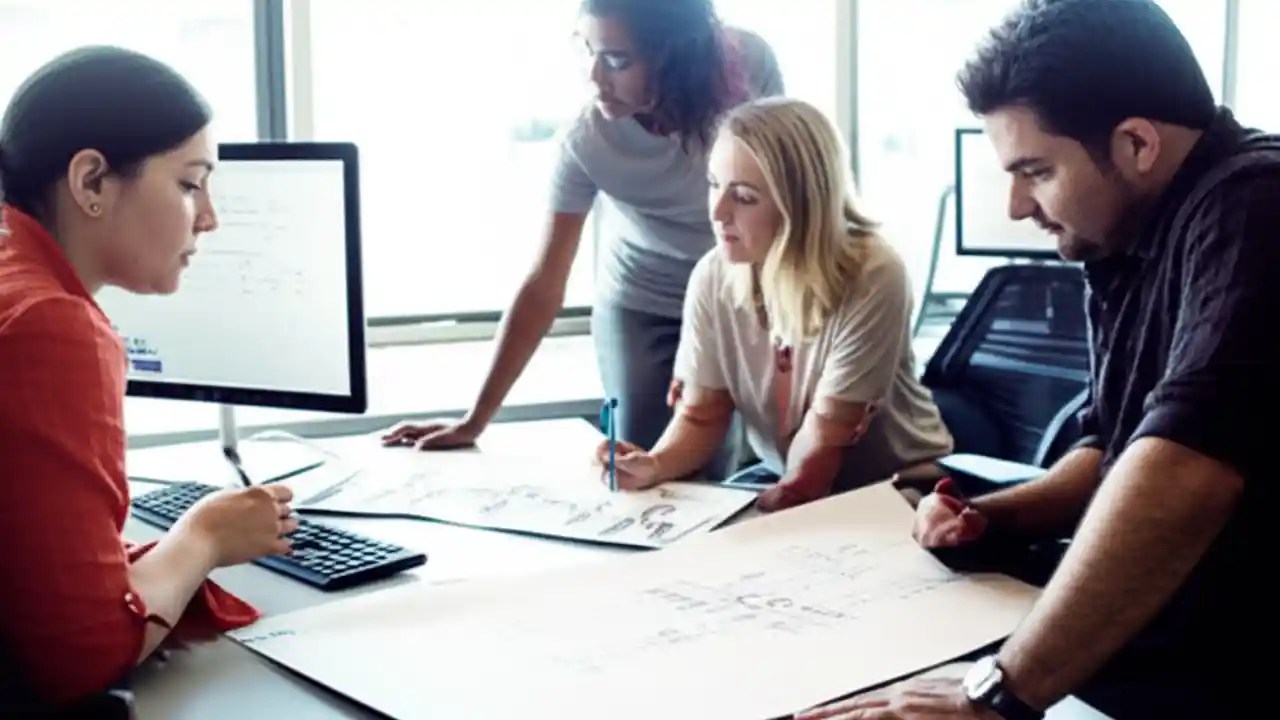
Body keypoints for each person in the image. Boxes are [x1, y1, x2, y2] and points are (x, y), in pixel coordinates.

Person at [797, 1, 1280, 719]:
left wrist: (998, 693)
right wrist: (991, 519)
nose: (1018, 204)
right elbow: (1112, 449)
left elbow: (1182, 471)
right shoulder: (1123, 241)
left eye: (1035, 171)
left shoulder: (1256, 203)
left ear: (1137, 144)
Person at [0, 47, 297, 706]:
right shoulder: (51, 324)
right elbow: (80, 654)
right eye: (191, 184)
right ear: (91, 183)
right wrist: (205, 536)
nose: (210, 217)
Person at [381, 0, 784, 465]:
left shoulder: (749, 65)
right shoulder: (587, 143)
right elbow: (543, 284)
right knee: (643, 462)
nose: (594, 77)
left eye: (617, 60)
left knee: (749, 458)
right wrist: (474, 420)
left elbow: (785, 191)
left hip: (743, 291)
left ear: (675, 57)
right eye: (588, 51)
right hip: (643, 303)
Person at [590, 97, 953, 513]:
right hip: (790, 480)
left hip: (903, 486)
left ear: (800, 205)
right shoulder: (714, 275)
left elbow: (824, 436)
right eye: (714, 184)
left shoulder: (873, 273)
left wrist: (778, 505)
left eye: (743, 197)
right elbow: (701, 417)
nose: (717, 211)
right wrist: (652, 466)